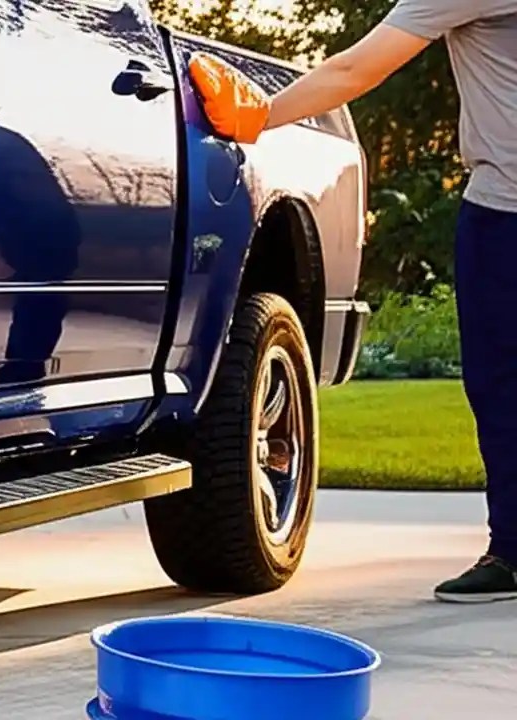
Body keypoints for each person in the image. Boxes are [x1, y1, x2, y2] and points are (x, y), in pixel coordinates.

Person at [190, 0, 517, 603]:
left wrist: (259, 116)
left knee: (501, 383)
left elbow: (356, 70)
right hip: (501, 207)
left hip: (506, 214)